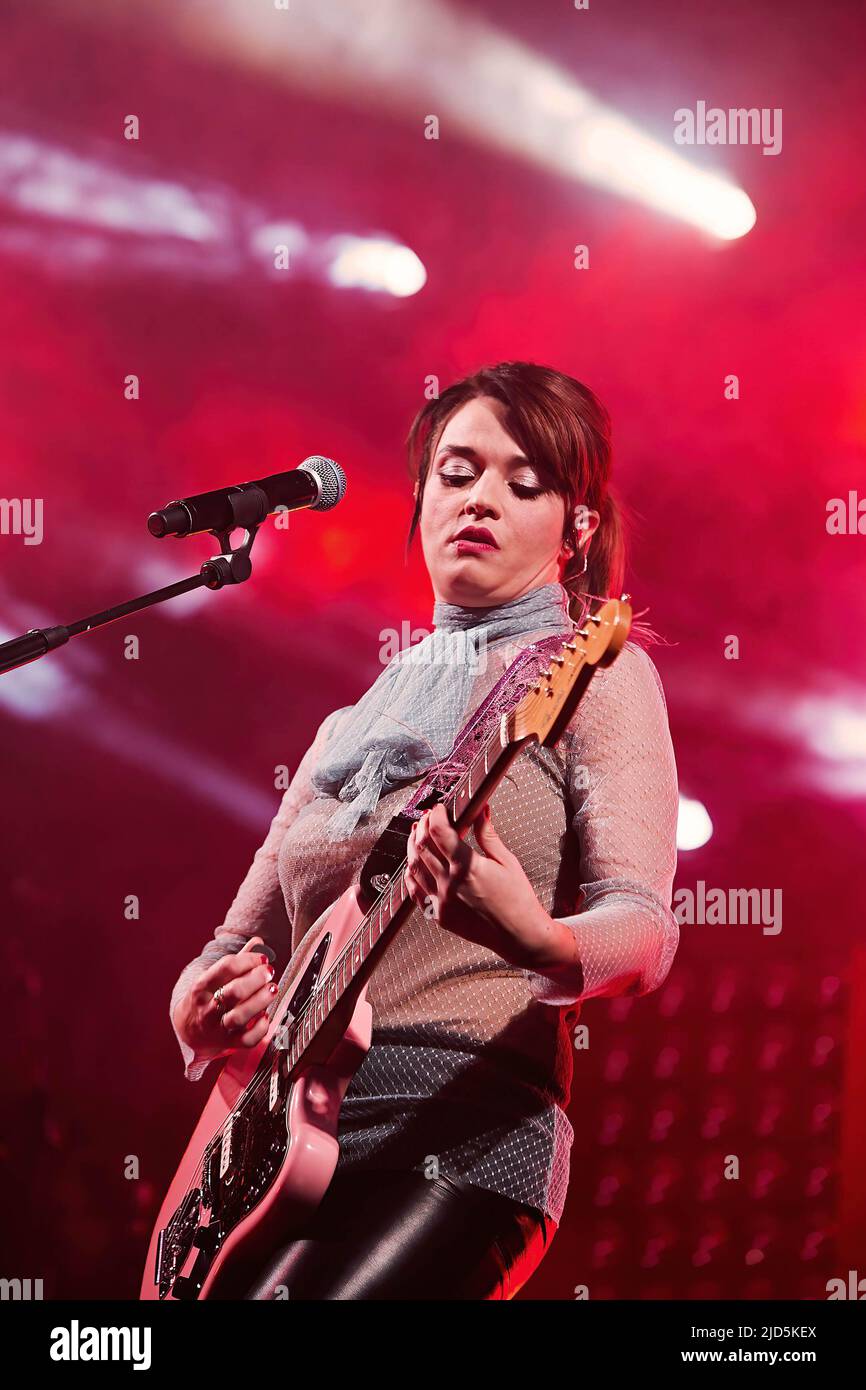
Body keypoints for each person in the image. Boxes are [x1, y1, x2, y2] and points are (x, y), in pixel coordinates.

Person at [169, 361, 680, 1300]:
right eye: (456, 472)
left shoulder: (596, 678)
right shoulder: (347, 727)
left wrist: (538, 938)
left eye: (524, 483)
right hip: (270, 1154)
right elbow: (235, 946)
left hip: (463, 1137)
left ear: (580, 530)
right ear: (420, 499)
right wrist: (194, 1014)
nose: (481, 498)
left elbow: (644, 931)